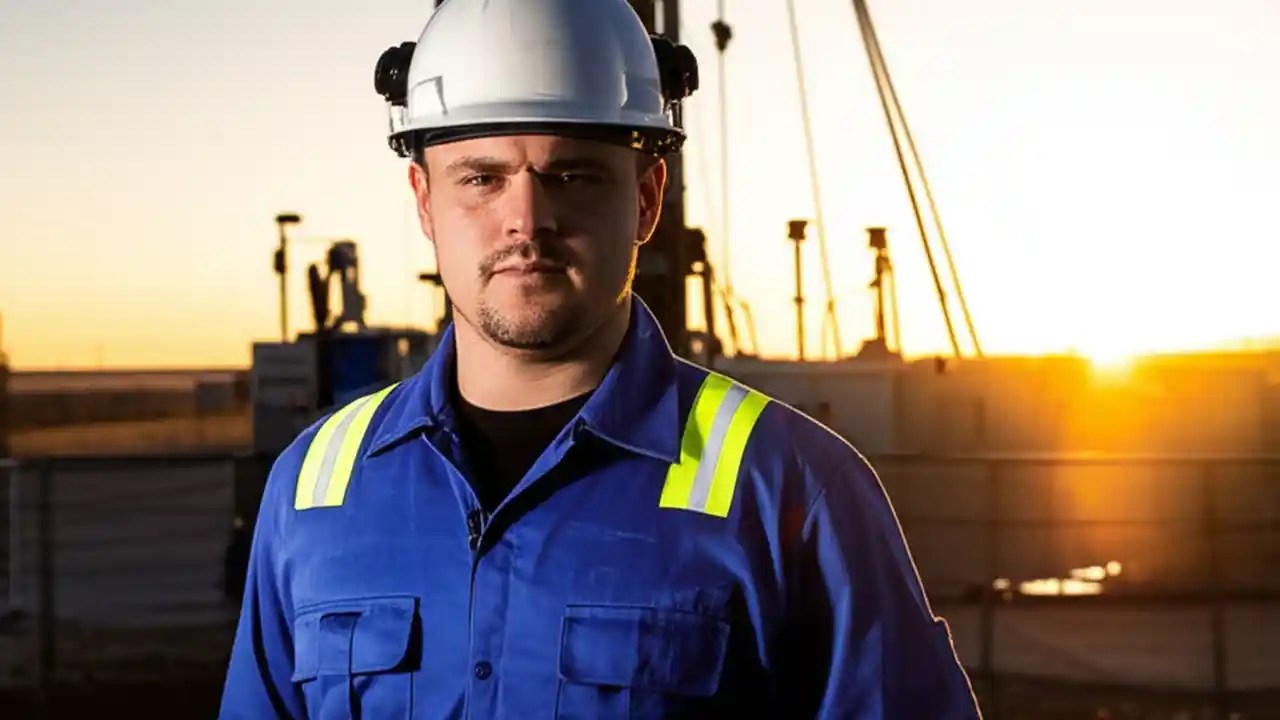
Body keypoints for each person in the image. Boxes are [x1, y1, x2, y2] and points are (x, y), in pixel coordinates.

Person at [218, 0, 981, 717]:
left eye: (573, 176)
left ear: (646, 199)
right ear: (424, 199)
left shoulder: (791, 488)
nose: (527, 221)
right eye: (481, 179)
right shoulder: (313, 489)